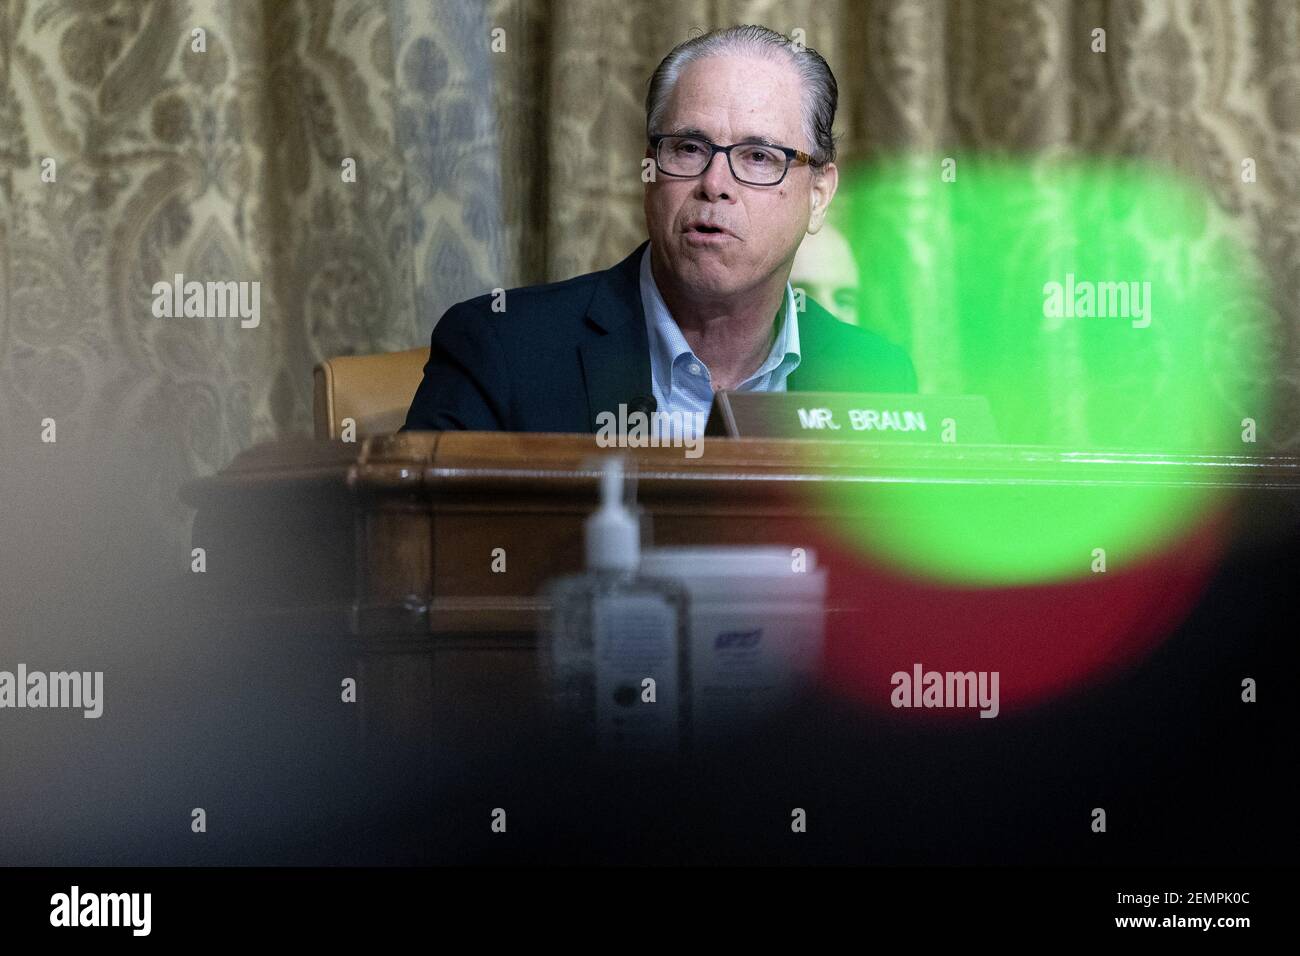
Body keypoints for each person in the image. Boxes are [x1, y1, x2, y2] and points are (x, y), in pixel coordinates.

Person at [403, 24, 916, 434]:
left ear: (819, 194)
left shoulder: (875, 377)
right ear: (650, 170)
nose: (715, 185)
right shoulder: (501, 350)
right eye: (688, 149)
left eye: (759, 156)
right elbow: (421, 551)